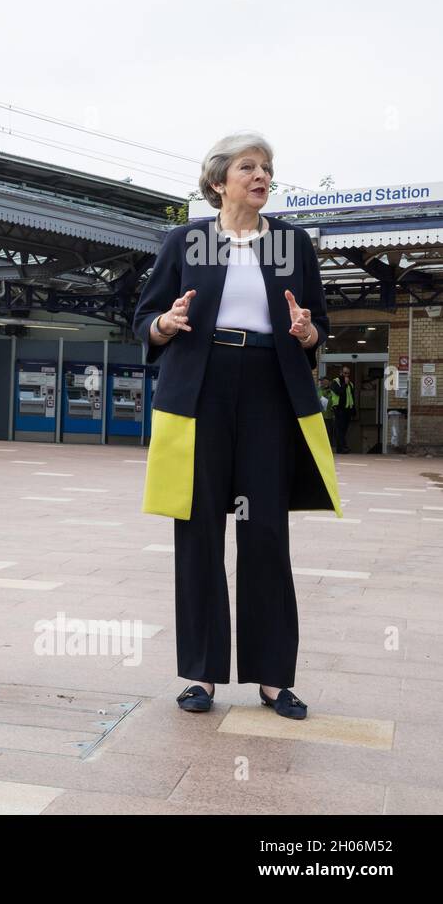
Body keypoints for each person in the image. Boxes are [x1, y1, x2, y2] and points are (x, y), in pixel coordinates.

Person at [135, 132, 341, 722]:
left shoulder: (293, 244)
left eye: (267, 168)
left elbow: (317, 324)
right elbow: (144, 317)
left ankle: (274, 677)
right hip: (200, 386)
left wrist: (307, 334)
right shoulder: (185, 241)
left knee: (266, 531)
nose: (261, 175)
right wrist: (165, 323)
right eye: (247, 167)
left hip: (269, 390)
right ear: (218, 181)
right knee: (197, 529)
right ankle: (199, 674)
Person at [329, 365, 356, 453]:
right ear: (341, 373)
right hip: (339, 409)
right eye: (345, 373)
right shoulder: (335, 382)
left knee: (344, 430)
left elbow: (352, 398)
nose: (346, 375)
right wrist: (345, 384)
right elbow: (338, 392)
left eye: (348, 373)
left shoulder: (351, 384)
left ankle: (340, 449)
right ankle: (343, 447)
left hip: (347, 410)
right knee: (339, 430)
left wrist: (353, 410)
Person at [317, 375, 338, 449]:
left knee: (330, 433)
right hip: (320, 416)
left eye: (323, 380)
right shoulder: (318, 390)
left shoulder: (332, 390)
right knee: (321, 434)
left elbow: (335, 400)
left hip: (330, 416)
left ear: (327, 381)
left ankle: (329, 448)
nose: (321, 382)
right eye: (321, 381)